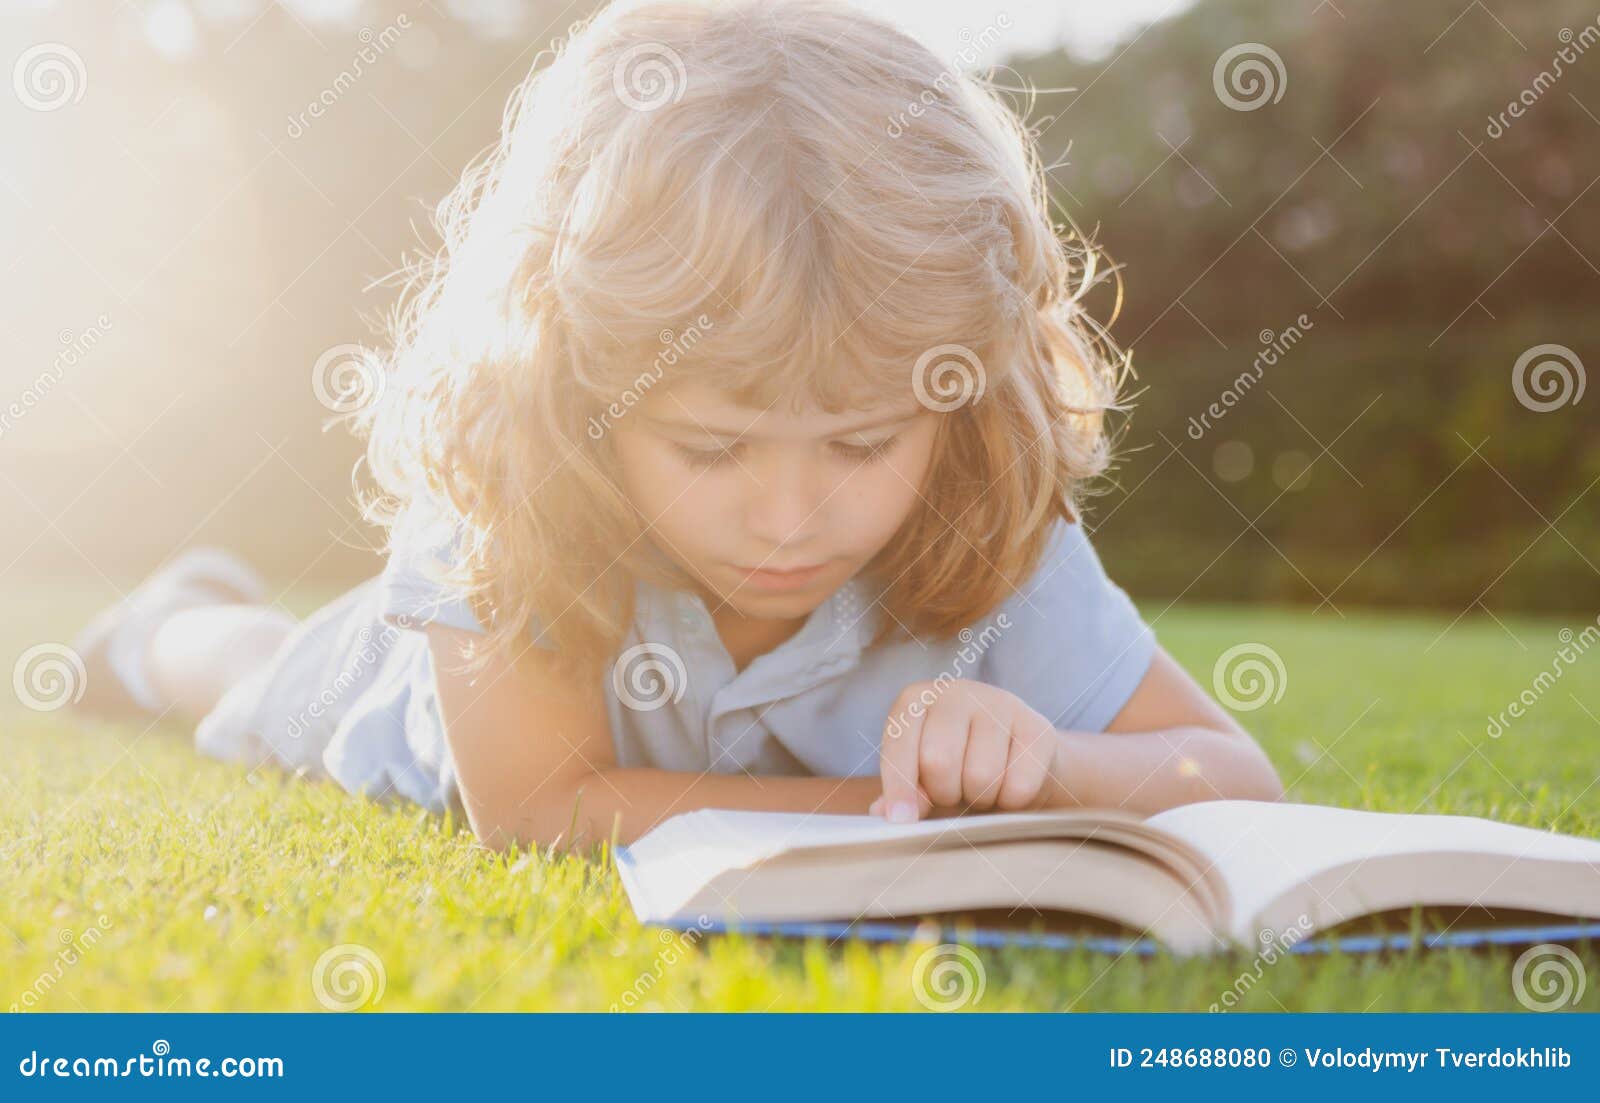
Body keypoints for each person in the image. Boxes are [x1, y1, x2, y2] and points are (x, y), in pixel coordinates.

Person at [71, 0, 1282, 849]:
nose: (790, 515)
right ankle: (166, 619)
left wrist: (1052, 768)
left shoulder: (988, 534)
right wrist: (893, 818)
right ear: (576, 387)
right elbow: (542, 809)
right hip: (389, 698)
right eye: (710, 447)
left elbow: (1235, 779)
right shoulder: (513, 507)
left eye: (864, 443)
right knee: (246, 678)